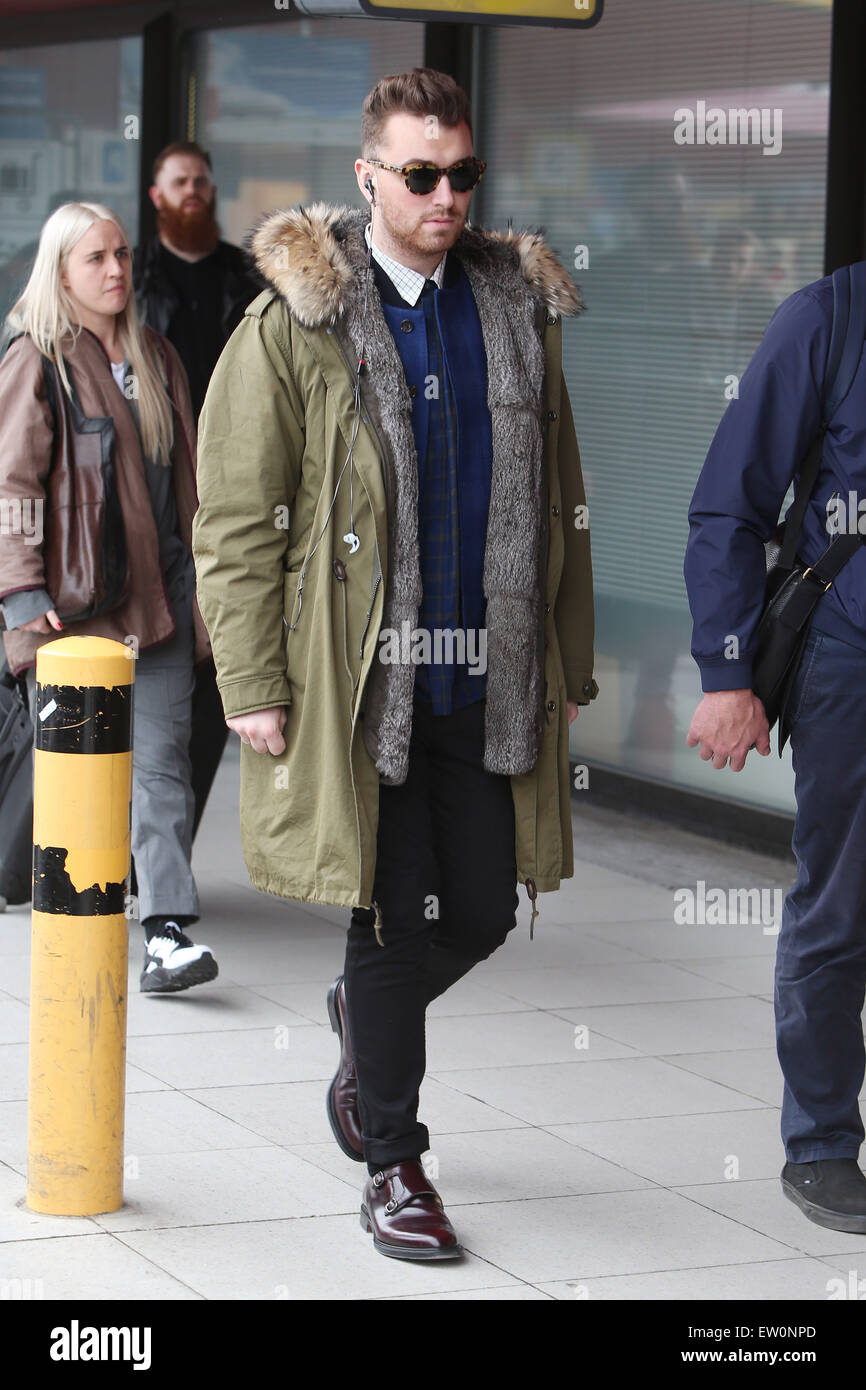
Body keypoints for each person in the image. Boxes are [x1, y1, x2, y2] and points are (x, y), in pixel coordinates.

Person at [192, 67, 597, 1260]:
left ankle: (361, 1037)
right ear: (367, 176)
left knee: (475, 908)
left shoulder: (513, 307)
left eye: (461, 174)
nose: (444, 197)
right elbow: (233, 512)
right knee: (391, 913)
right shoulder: (297, 321)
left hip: (488, 672)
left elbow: (559, 494)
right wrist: (253, 684)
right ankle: (394, 1160)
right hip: (364, 682)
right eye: (419, 175)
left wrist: (566, 656)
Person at [684, 262, 866, 1233]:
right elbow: (729, 503)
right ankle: (823, 1142)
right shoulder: (825, 319)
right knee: (839, 904)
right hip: (851, 663)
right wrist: (724, 675)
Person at [0, 201, 220, 994]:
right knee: (77, 783)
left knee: (161, 767)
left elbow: (193, 486)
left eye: (123, 254)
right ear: (62, 271)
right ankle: (73, 918)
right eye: (96, 258)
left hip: (158, 606)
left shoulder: (157, 356)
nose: (117, 269)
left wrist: (211, 590)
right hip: (72, 614)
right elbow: (12, 488)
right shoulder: (37, 360)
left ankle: (165, 930)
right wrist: (21, 596)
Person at [134, 143, 265, 842]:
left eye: (203, 182)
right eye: (180, 182)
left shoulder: (246, 279)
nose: (194, 192)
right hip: (153, 486)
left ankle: (170, 839)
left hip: (233, 482)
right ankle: (135, 843)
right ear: (156, 196)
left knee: (218, 670)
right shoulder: (132, 276)